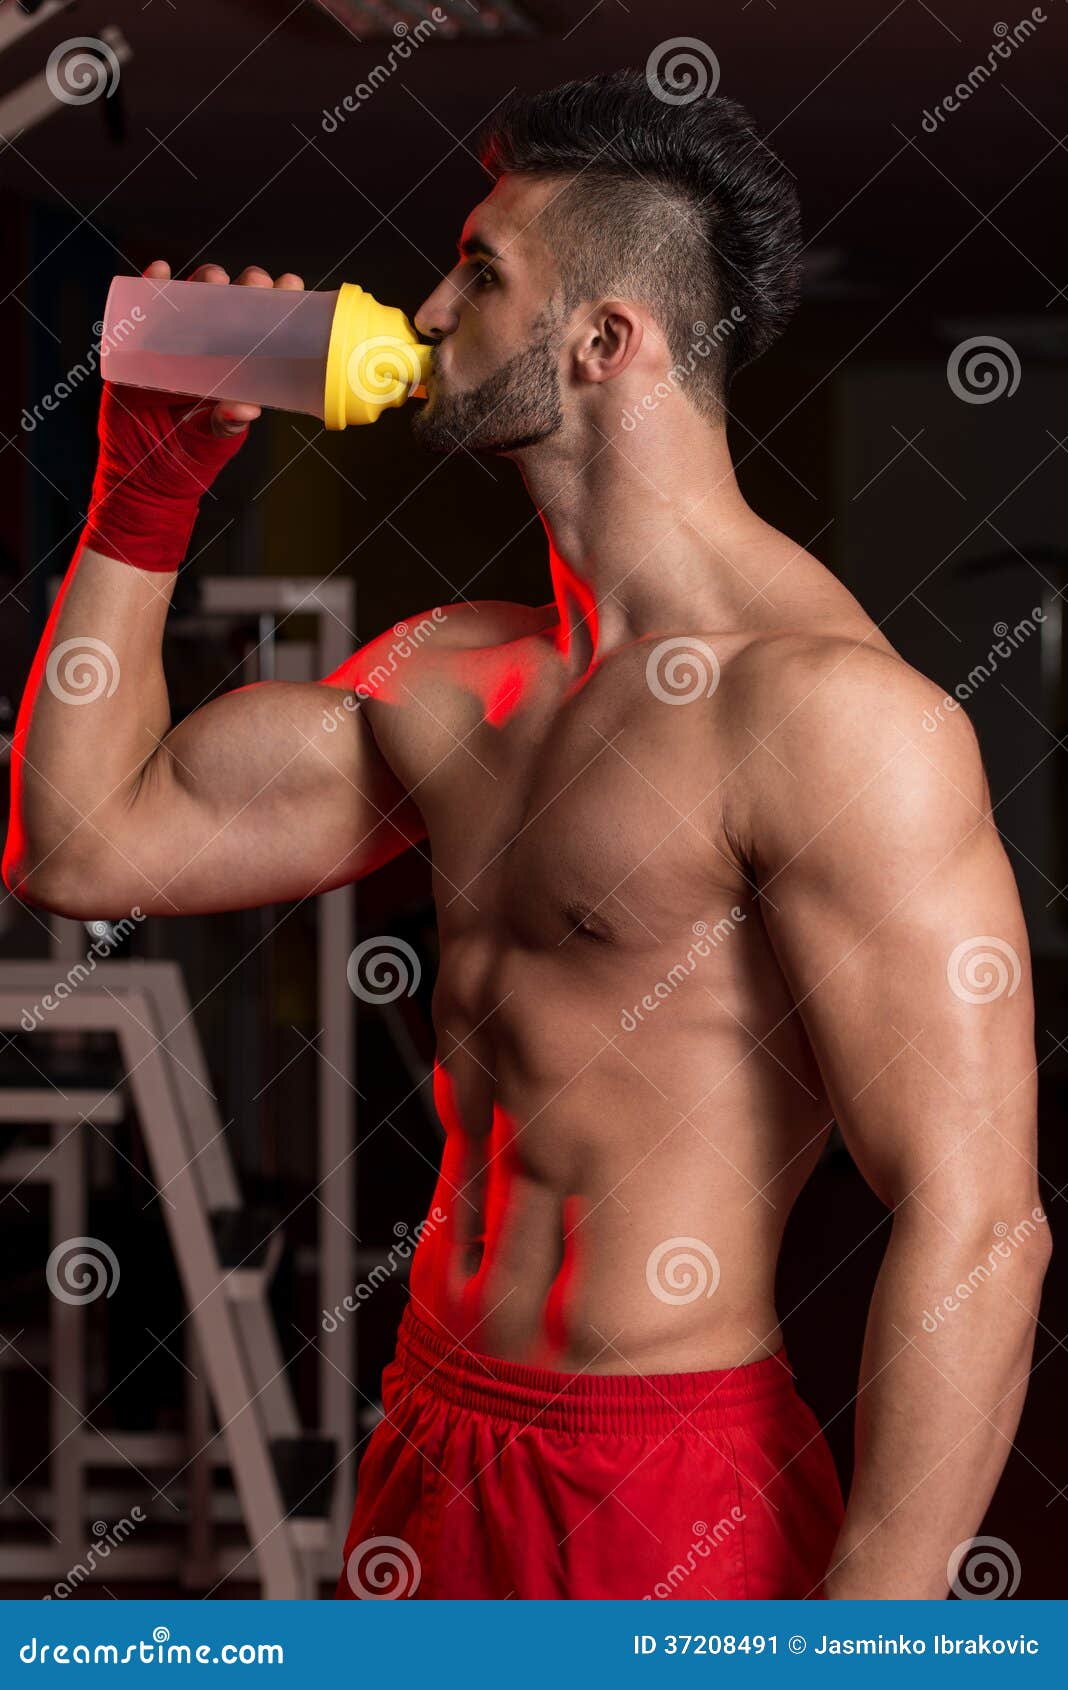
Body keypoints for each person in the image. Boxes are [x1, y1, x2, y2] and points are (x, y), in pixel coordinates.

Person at [3, 70, 1048, 1601]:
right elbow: (83, 844)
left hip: (659, 1480)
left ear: (604, 342)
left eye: (479, 271)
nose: (425, 310)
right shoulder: (452, 678)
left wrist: (862, 1642)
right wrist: (139, 507)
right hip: (430, 1437)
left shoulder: (835, 720)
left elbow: (980, 1224)